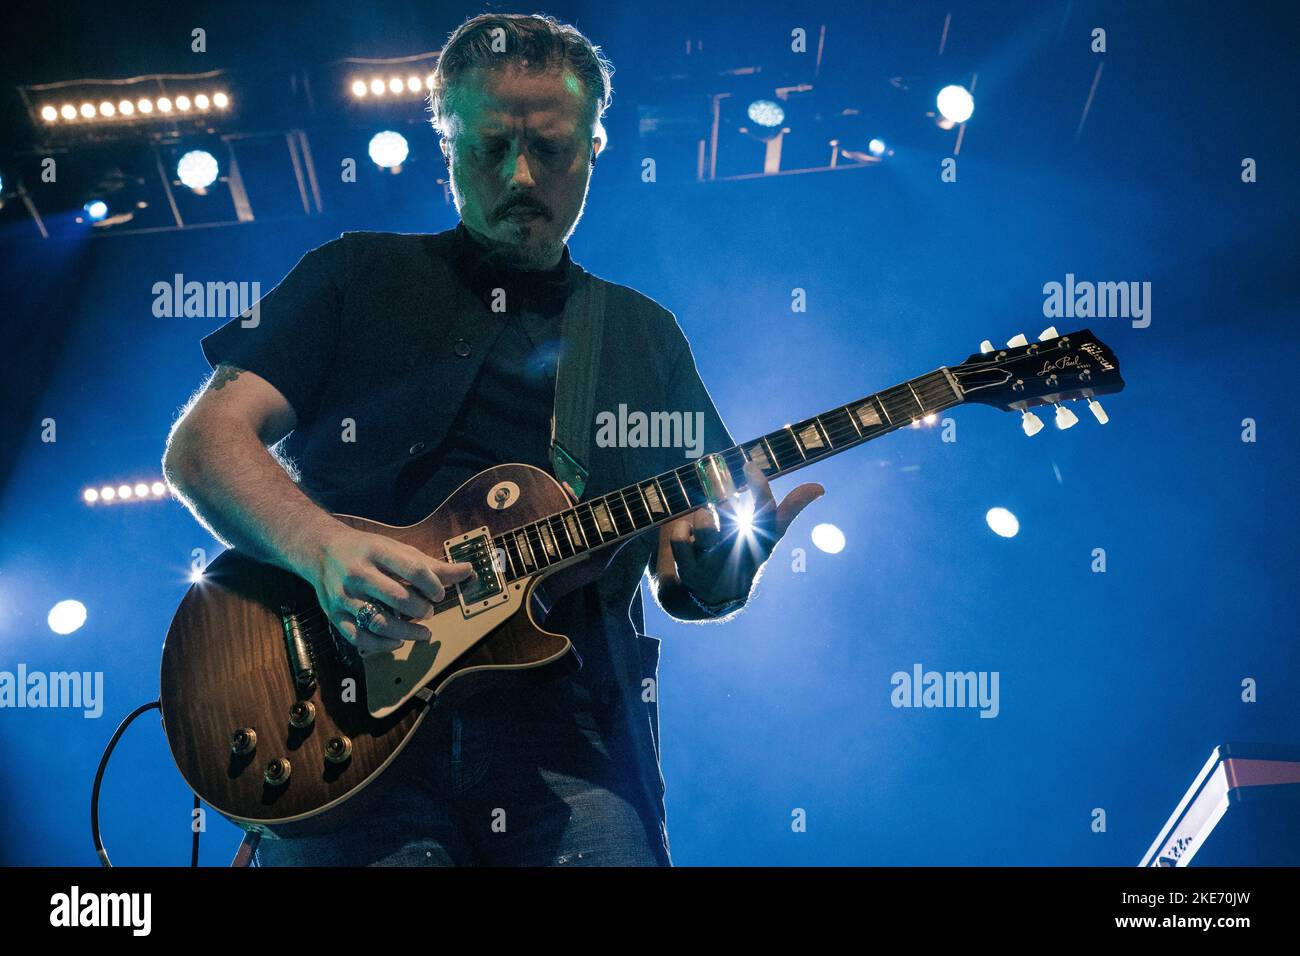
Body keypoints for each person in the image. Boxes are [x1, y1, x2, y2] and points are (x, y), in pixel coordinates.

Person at [162, 12, 822, 866]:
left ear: (593, 149)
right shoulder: (354, 273)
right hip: (337, 724)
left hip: (569, 747)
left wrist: (720, 571)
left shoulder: (640, 335)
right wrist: (323, 550)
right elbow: (203, 444)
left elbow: (680, 573)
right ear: (446, 147)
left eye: (551, 149)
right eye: (488, 148)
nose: (521, 176)